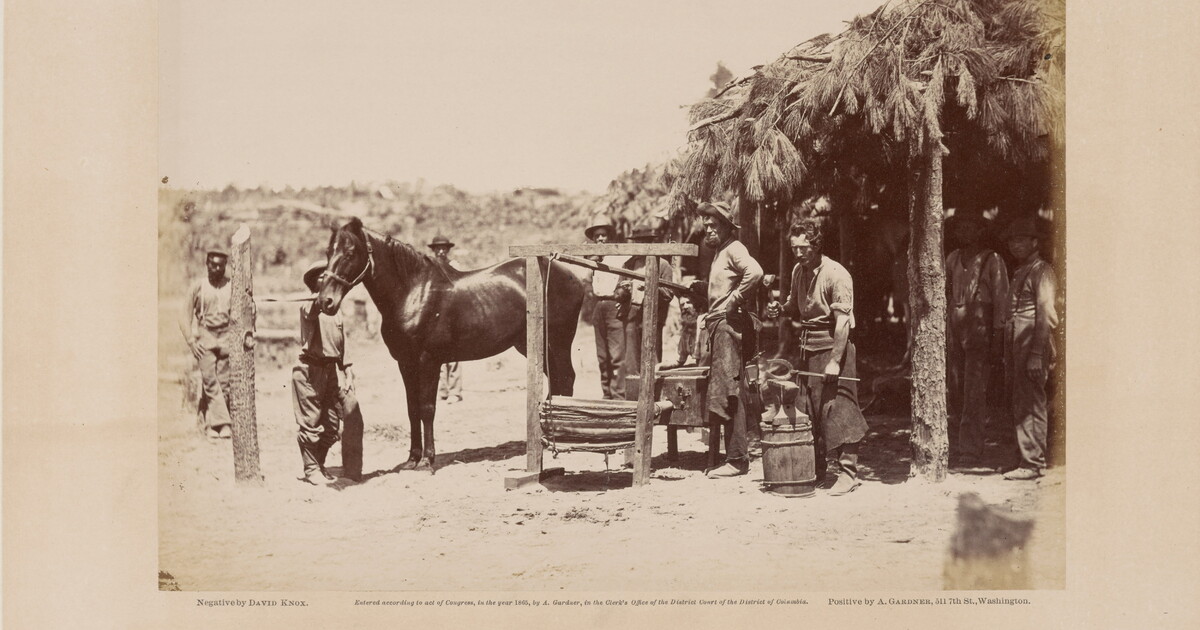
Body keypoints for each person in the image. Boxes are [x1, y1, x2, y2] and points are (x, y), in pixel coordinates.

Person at [767, 219, 869, 496]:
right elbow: (794, 306)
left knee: (839, 409)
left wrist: (835, 360)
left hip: (834, 347)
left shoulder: (836, 274)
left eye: (804, 248)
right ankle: (817, 470)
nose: (799, 253)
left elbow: (843, 323)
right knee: (810, 410)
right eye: (794, 248)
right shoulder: (800, 271)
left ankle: (849, 473)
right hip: (807, 349)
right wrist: (781, 309)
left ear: (816, 245)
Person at [693, 201, 763, 478]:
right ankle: (734, 455)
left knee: (730, 391)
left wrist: (734, 300)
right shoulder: (720, 252)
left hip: (727, 326)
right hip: (718, 325)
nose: (708, 229)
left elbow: (754, 272)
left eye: (714, 225)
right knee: (727, 390)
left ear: (726, 227)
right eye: (706, 225)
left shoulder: (734, 248)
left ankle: (737, 460)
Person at [945, 213, 1009, 464]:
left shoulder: (992, 260)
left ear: (981, 231)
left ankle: (970, 449)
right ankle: (956, 443)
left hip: (979, 328)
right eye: (961, 228)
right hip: (955, 327)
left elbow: (1002, 301)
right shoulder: (952, 258)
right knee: (956, 387)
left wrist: (997, 337)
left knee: (974, 389)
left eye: (971, 227)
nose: (965, 233)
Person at [293, 261, 364, 485]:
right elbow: (312, 311)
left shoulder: (335, 310)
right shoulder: (309, 304)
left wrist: (348, 368)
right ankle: (311, 468)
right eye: (323, 277)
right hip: (309, 371)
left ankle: (320, 464)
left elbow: (342, 342)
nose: (327, 281)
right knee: (311, 423)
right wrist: (318, 298)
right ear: (315, 282)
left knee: (332, 425)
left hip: (331, 371)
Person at [1000, 218, 1058, 480]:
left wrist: (1036, 353)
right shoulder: (1022, 269)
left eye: (1021, 239)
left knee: (1032, 401)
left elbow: (1044, 314)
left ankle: (1033, 462)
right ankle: (1026, 456)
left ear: (1035, 242)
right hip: (1017, 339)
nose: (1015, 245)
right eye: (1012, 241)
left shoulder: (1041, 270)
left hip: (1032, 340)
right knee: (1021, 399)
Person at [182, 250, 234, 440]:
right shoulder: (198, 286)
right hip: (206, 335)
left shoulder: (232, 286)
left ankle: (210, 424)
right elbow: (184, 315)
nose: (217, 269)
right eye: (213, 265)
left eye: (221, 265)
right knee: (210, 379)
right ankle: (224, 424)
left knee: (224, 382)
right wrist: (191, 340)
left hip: (227, 336)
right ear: (207, 264)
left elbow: (249, 308)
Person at [617, 224, 674, 380]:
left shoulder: (662, 264)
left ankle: (653, 395)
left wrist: (649, 287)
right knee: (631, 359)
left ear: (651, 243)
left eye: (643, 242)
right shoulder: (628, 264)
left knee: (652, 357)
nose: (639, 246)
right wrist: (624, 290)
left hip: (653, 315)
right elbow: (617, 293)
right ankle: (632, 396)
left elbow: (669, 294)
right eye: (637, 242)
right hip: (631, 314)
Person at [585, 216, 629, 399]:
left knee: (616, 355)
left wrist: (624, 298)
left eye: (603, 235)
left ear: (610, 237)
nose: (600, 239)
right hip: (599, 306)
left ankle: (619, 396)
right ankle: (607, 395)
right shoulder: (593, 260)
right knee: (602, 356)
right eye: (597, 236)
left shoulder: (620, 257)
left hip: (614, 305)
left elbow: (628, 281)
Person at [429, 235, 463, 404]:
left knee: (454, 353)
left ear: (448, 250)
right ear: (434, 250)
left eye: (443, 248)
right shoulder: (429, 266)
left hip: (452, 311)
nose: (441, 251)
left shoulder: (454, 266)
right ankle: (442, 390)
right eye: (438, 248)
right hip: (435, 313)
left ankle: (455, 391)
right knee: (437, 353)